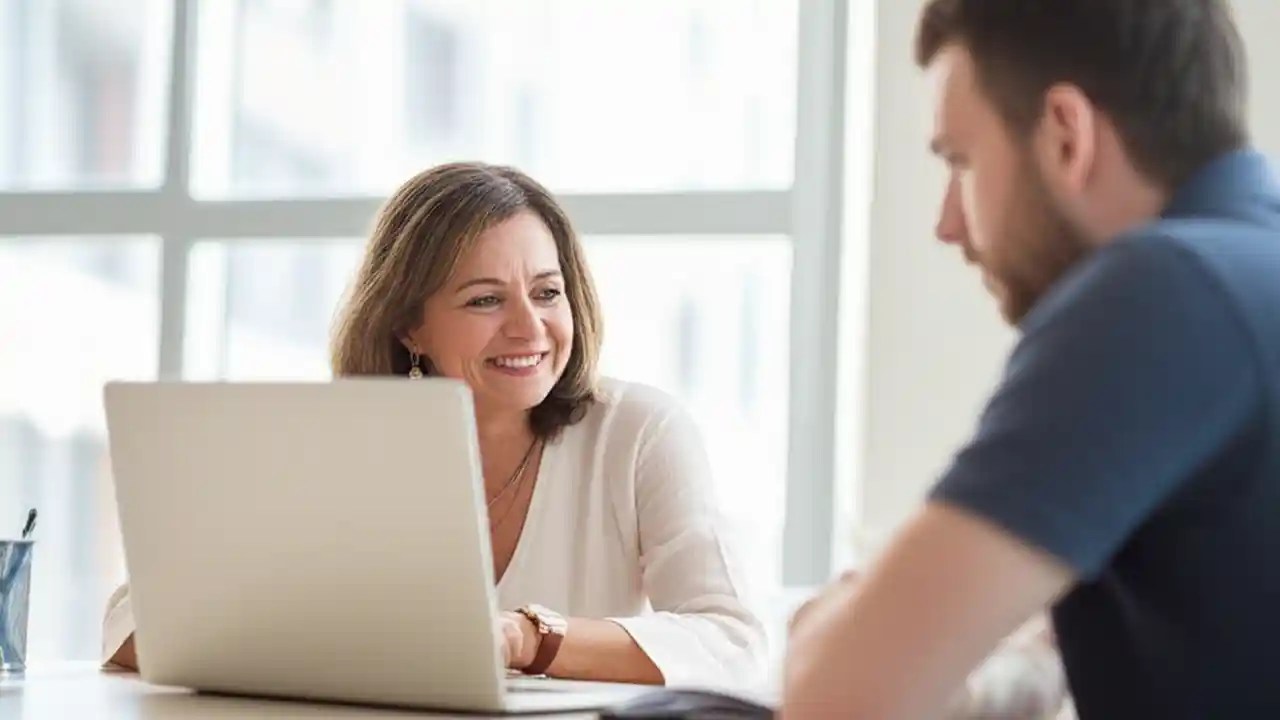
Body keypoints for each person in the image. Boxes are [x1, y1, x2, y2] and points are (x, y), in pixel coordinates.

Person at [783, 1, 1280, 718]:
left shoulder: (1163, 289)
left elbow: (835, 699)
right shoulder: (1251, 273)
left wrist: (826, 621)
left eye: (961, 160)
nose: (948, 223)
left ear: (1065, 134)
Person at [102, 162, 767, 687]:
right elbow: (133, 622)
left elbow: (733, 643)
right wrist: (310, 634)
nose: (529, 328)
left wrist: (525, 638)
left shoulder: (639, 432)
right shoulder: (334, 442)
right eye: (485, 299)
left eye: (546, 291)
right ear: (409, 325)